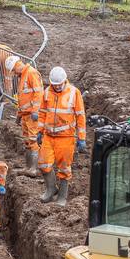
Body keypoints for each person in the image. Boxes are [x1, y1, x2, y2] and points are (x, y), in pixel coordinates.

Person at [39, 66, 85, 206]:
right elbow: (42, 112)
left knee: (64, 168)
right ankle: (51, 189)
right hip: (48, 136)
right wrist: (39, 132)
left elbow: (80, 116)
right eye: (54, 85)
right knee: (43, 164)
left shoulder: (73, 93)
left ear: (65, 81)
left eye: (59, 84)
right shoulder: (47, 92)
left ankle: (62, 196)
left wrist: (82, 138)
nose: (57, 87)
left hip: (66, 138)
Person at [11, 56, 45, 172]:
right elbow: (23, 99)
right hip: (26, 115)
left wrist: (35, 110)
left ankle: (34, 169)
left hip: (32, 115)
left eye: (13, 71)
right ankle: (28, 167)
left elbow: (38, 93)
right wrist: (19, 115)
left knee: (32, 140)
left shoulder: (31, 73)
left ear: (17, 65)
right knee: (27, 141)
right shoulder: (23, 76)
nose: (14, 74)